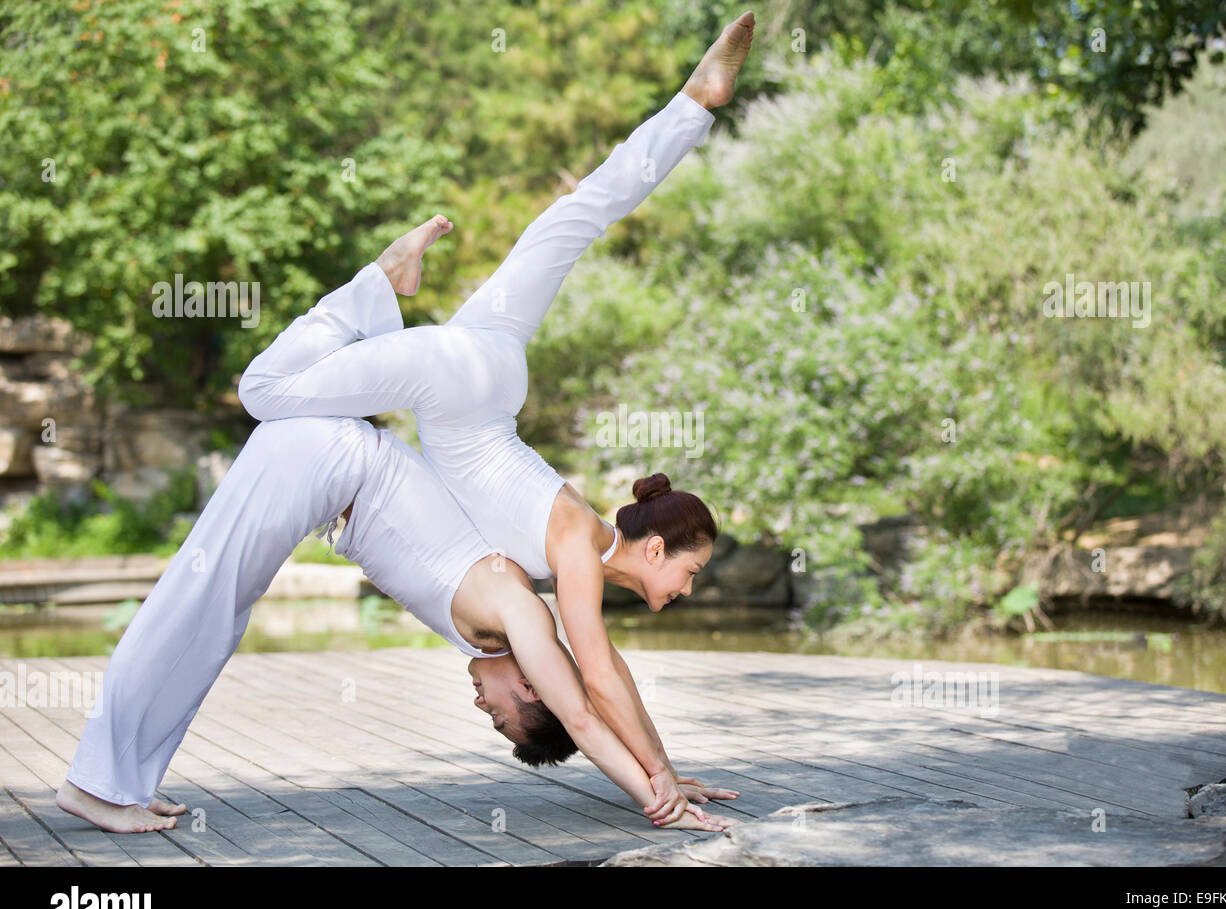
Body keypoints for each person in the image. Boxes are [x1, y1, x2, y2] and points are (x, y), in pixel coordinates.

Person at [237, 11, 755, 821]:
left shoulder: (576, 549)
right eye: (685, 574)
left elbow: (603, 667)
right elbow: (593, 682)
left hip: (489, 367)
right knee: (262, 392)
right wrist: (657, 783)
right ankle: (379, 281)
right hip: (462, 387)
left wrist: (666, 765)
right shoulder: (578, 551)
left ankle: (695, 103)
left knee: (573, 219)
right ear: (654, 546)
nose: (684, 590)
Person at [57, 409, 737, 835]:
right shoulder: (525, 615)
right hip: (328, 459)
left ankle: (124, 784)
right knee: (196, 610)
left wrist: (663, 766)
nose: (480, 704)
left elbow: (603, 682)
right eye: (498, 714)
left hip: (324, 465)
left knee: (213, 620)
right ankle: (97, 787)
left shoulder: (510, 622)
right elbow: (586, 711)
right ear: (531, 690)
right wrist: (659, 797)